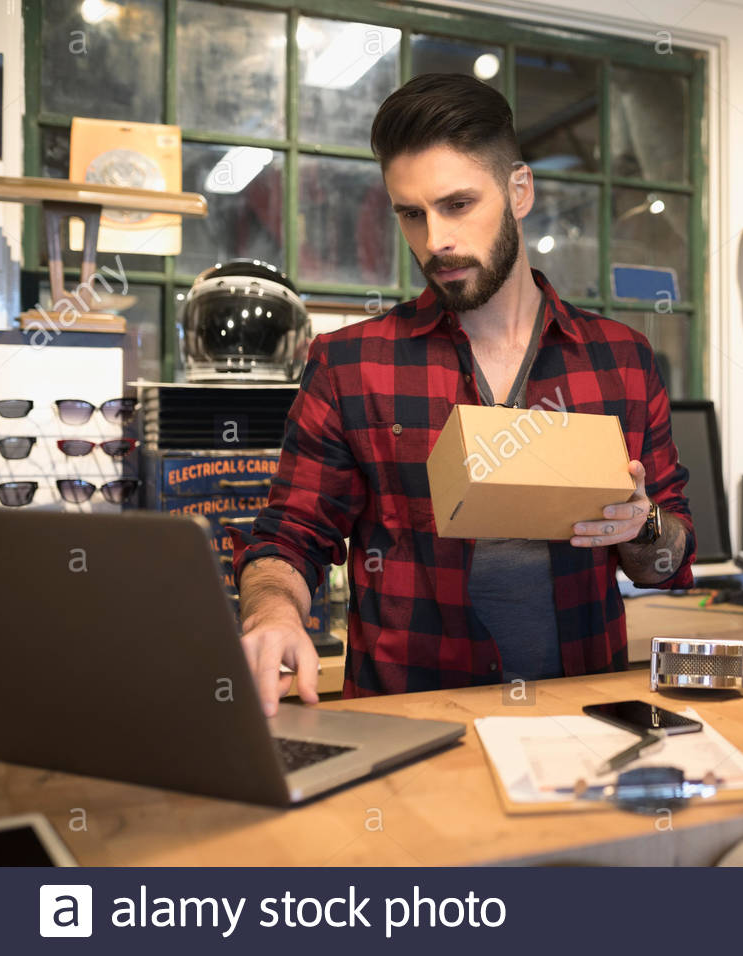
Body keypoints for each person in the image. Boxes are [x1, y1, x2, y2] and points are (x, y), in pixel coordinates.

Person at [230, 73, 695, 715]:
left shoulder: (621, 360)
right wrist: (273, 615)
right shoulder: (351, 363)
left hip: (583, 721)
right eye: (411, 215)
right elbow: (289, 539)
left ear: (519, 190)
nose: (436, 241)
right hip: (412, 727)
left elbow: (665, 559)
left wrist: (642, 524)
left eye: (457, 205)